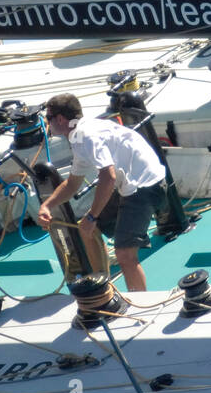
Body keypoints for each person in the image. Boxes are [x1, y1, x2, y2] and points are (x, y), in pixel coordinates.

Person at [39, 94, 166, 292]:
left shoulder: (86, 135)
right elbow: (72, 184)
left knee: (125, 256)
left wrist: (92, 215)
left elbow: (109, 176)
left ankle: (141, 306)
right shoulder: (80, 134)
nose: (47, 123)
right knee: (86, 228)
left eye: (48, 118)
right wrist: (47, 205)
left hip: (145, 185)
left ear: (60, 119)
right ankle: (101, 283)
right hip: (131, 183)